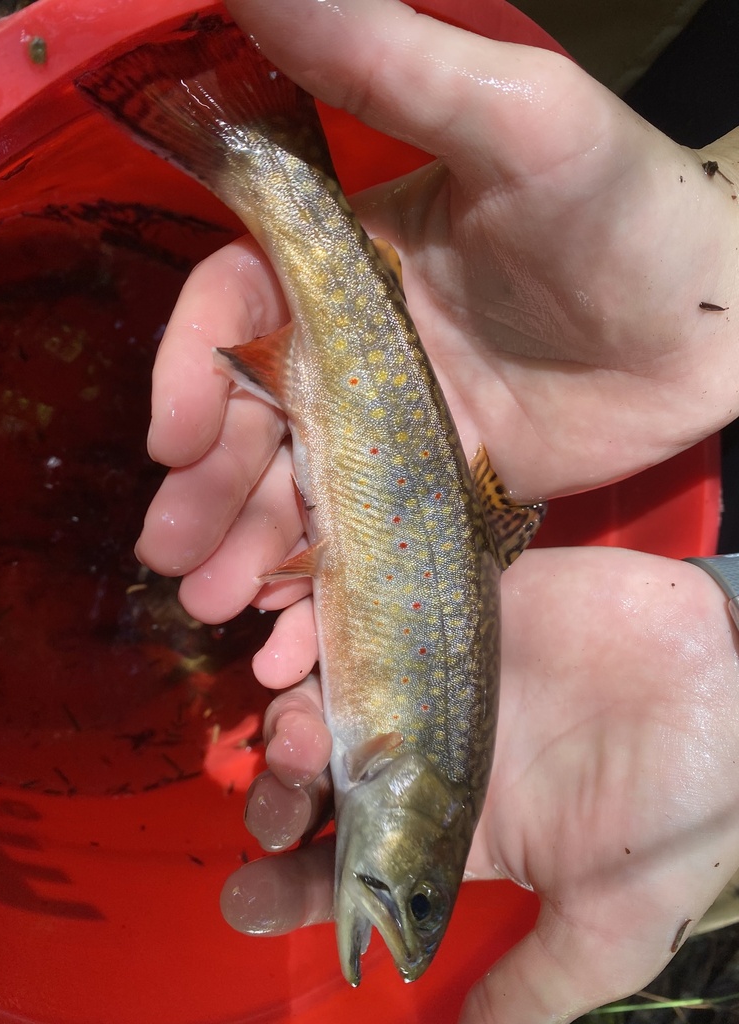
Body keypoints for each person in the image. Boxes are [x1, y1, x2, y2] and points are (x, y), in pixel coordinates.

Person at [134, 1, 739, 1020]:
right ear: (435, 822)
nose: (400, 927)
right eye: (420, 892)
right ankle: (250, 143)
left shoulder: (408, 768)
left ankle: (251, 145)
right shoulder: (410, 758)